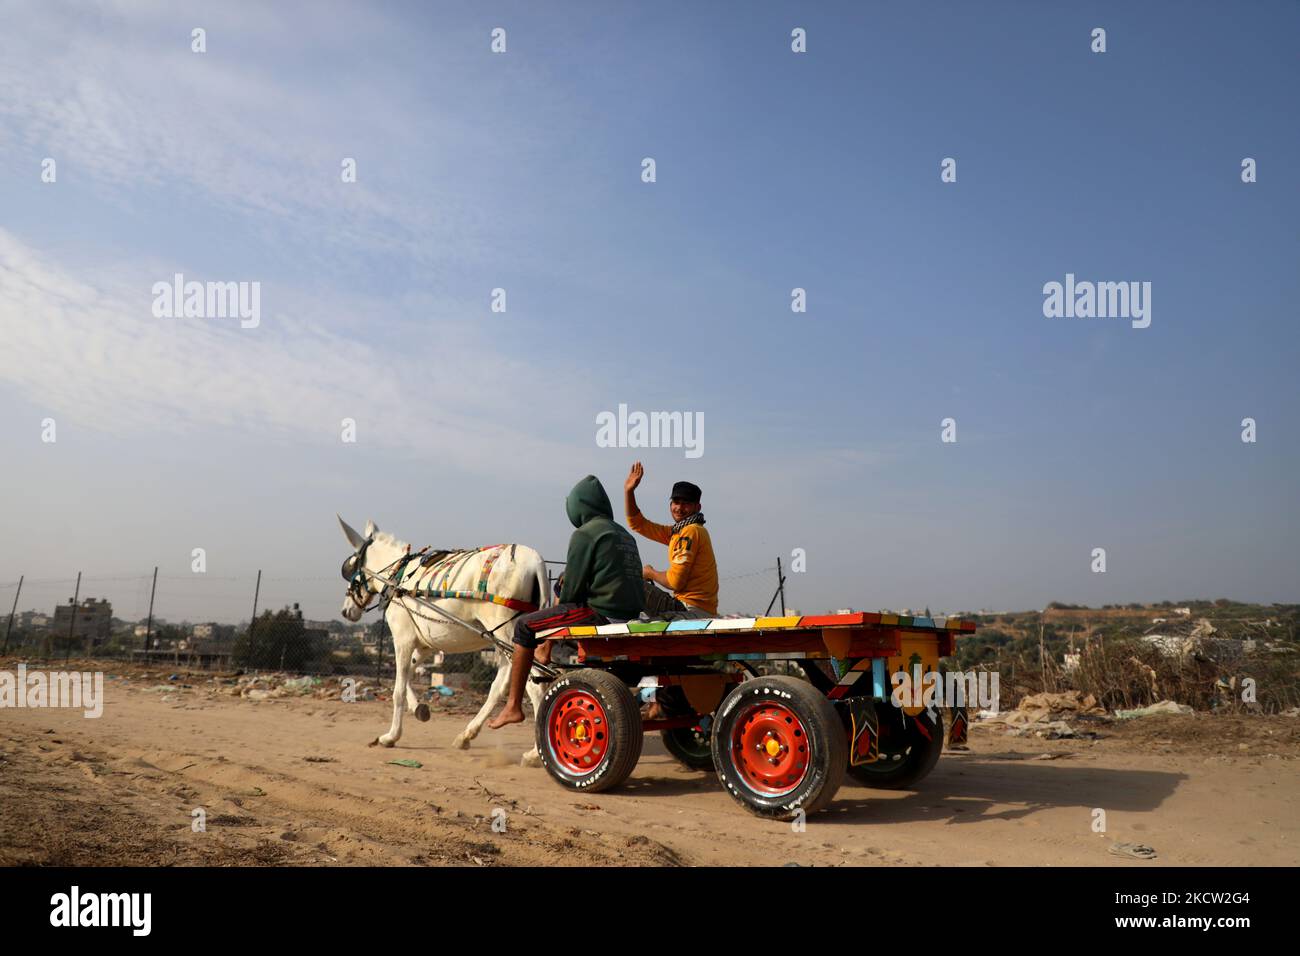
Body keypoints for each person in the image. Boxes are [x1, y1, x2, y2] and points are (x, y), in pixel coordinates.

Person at [488, 475, 644, 729]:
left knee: (524, 627)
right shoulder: (624, 534)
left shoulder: (586, 533)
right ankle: (544, 652)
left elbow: (571, 593)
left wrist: (562, 589)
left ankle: (513, 706)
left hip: (601, 612)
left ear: (578, 507)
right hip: (629, 613)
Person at [624, 462, 718, 617]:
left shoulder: (690, 531)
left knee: (627, 581)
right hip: (693, 608)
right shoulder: (677, 532)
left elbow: (675, 582)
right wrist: (629, 491)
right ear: (670, 504)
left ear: (697, 507)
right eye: (676, 502)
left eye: (686, 503)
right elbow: (638, 524)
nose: (679, 508)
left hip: (689, 610)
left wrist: (650, 573)